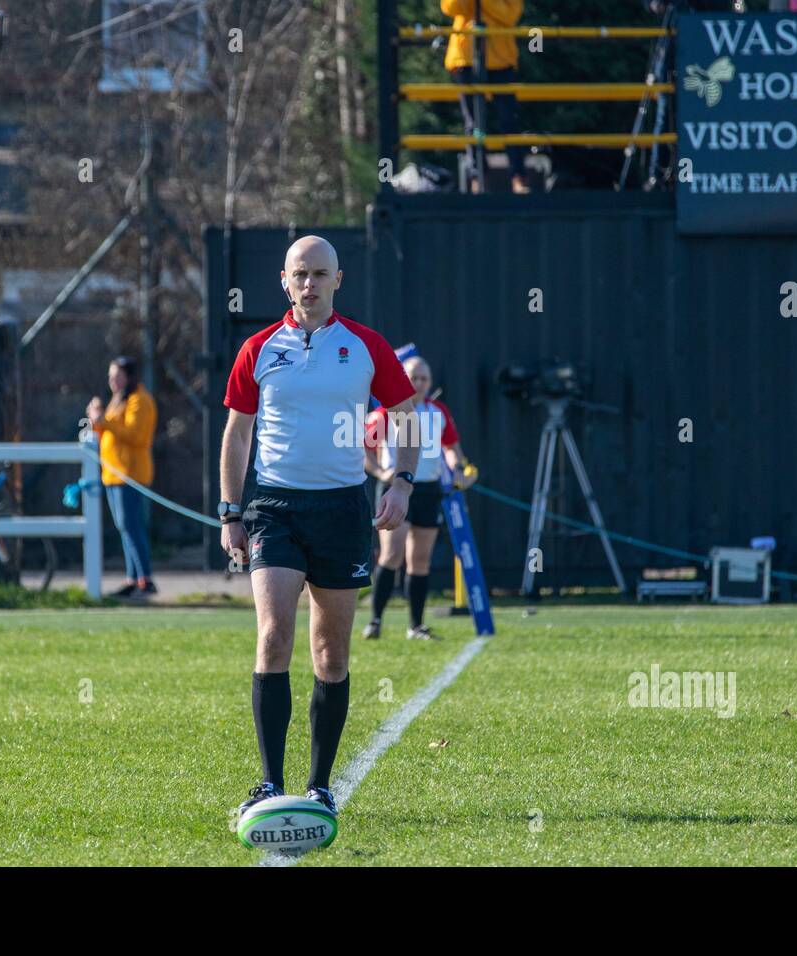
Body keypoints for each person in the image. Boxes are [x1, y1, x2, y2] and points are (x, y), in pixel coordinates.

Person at [220, 235, 420, 820]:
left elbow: (406, 418)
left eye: (320, 274)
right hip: (274, 509)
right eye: (300, 274)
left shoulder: (366, 347)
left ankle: (319, 785)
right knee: (274, 635)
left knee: (330, 652)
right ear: (284, 280)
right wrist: (231, 512)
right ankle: (268, 782)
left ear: (339, 280)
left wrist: (402, 483)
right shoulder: (258, 348)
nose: (309, 283)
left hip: (341, 509)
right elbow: (237, 433)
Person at [362, 355, 475, 640]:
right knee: (391, 554)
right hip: (396, 488)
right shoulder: (386, 412)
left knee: (420, 559)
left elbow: (451, 448)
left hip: (428, 488)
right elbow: (361, 447)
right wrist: (381, 473)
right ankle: (375, 620)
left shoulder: (438, 412)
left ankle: (416, 625)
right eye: (414, 377)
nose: (420, 384)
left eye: (424, 378)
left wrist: (459, 470)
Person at [87, 356, 159, 597]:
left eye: (118, 377)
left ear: (129, 377)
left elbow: (135, 435)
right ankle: (133, 577)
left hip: (131, 474)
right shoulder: (118, 400)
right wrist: (96, 419)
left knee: (131, 525)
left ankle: (145, 577)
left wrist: (104, 421)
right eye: (111, 377)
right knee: (124, 526)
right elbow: (105, 431)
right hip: (113, 474)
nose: (113, 382)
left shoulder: (140, 401)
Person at [442, 0, 530, 194]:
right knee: (473, 123)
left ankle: (518, 177)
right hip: (466, 56)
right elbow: (450, 7)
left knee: (508, 120)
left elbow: (511, 16)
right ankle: (477, 176)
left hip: (500, 57)